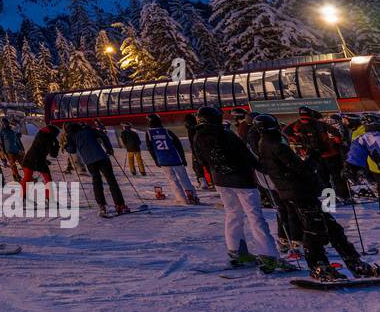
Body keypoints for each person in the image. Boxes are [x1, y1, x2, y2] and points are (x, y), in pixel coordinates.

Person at [254, 113, 377, 281]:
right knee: (315, 230)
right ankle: (319, 266)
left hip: (295, 190)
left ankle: (354, 263)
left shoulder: (268, 143)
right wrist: (314, 156)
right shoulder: (276, 145)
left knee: (332, 228)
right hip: (298, 191)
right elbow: (300, 168)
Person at [191, 105, 283, 271]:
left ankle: (236, 251)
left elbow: (201, 159)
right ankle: (269, 255)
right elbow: (245, 155)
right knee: (255, 216)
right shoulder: (226, 134)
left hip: (220, 180)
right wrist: (263, 168)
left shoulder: (198, 136)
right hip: (242, 179)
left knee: (233, 214)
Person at [65, 121, 129, 216]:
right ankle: (120, 205)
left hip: (89, 161)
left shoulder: (71, 136)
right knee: (111, 180)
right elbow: (103, 136)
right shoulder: (89, 130)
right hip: (102, 157)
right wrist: (109, 149)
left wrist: (66, 146)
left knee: (96, 181)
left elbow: (72, 150)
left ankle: (102, 206)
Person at [144, 114, 198, 204]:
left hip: (163, 160)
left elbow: (150, 149)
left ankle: (181, 198)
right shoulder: (167, 131)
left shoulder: (149, 133)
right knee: (184, 178)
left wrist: (156, 160)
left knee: (172, 180)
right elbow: (178, 145)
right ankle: (192, 196)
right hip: (176, 158)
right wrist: (183, 158)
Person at [21, 123, 59, 199]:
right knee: (48, 180)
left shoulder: (40, 135)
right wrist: (57, 145)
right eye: (56, 135)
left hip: (28, 159)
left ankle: (21, 197)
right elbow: (53, 154)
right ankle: (49, 199)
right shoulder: (48, 139)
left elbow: (40, 149)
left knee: (26, 179)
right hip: (38, 161)